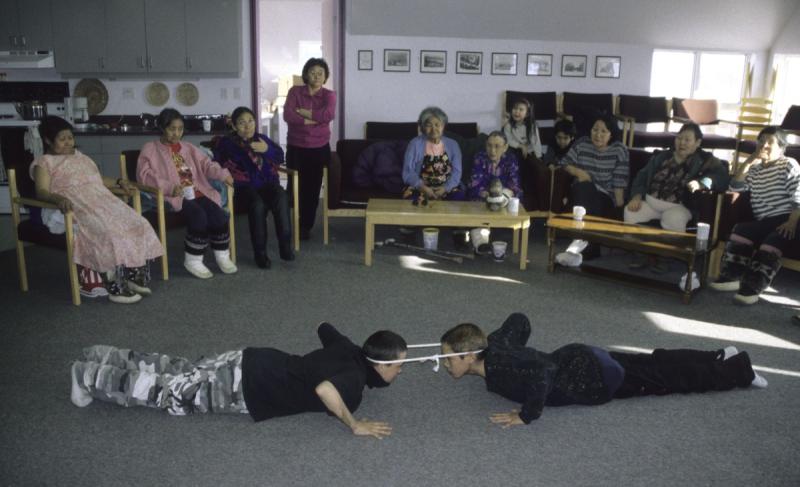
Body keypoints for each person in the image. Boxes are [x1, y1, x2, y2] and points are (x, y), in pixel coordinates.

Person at [70, 323, 407, 439]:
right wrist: (353, 424)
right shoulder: (354, 381)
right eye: (398, 366)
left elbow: (324, 327)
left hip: (249, 358)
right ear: (381, 366)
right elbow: (325, 390)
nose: (400, 371)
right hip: (242, 387)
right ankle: (87, 376)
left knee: (179, 370)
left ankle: (103, 355)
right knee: (170, 394)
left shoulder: (349, 349)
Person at [439, 312, 767, 427]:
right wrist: (496, 340)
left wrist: (527, 414)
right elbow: (519, 321)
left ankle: (740, 372)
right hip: (583, 355)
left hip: (594, 379)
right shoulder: (495, 347)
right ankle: (719, 356)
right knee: (654, 361)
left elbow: (543, 370)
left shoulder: (499, 369)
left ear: (470, 357)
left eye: (450, 358)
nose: (445, 363)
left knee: (666, 379)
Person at [30, 116, 162, 304]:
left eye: (70, 138)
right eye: (62, 139)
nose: (68, 142)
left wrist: (119, 181)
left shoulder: (81, 157)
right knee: (106, 231)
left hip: (102, 199)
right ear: (48, 141)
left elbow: (98, 180)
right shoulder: (44, 162)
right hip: (75, 203)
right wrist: (58, 199)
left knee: (138, 222)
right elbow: (42, 191)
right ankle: (114, 285)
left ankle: (134, 276)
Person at [137, 108, 237, 279]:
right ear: (162, 128)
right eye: (172, 129)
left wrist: (223, 174)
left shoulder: (188, 147)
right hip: (171, 196)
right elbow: (145, 176)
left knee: (218, 214)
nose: (177, 133)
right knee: (198, 215)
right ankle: (193, 259)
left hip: (197, 192)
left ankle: (222, 255)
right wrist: (169, 187)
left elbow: (206, 164)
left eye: (180, 129)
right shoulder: (150, 149)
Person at [709, 126, 800, 305]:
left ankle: (752, 287)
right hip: (763, 220)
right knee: (741, 230)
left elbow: (799, 194)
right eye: (761, 141)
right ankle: (731, 277)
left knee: (772, 242)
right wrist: (749, 161)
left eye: (770, 142)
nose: (764, 145)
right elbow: (734, 187)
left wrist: (792, 221)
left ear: (781, 148)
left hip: (786, 218)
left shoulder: (789, 164)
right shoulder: (755, 169)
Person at [212, 106, 293, 269]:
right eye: (242, 123)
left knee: (282, 196)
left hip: (267, 183)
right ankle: (260, 253)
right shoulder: (227, 143)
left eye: (250, 121)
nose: (247, 126)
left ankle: (285, 246)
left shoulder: (262, 139)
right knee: (257, 205)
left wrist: (267, 149)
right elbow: (217, 164)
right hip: (243, 186)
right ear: (234, 126)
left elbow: (280, 156)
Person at [625, 124, 729, 232]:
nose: (682, 143)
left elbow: (723, 177)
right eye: (679, 138)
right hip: (650, 203)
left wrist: (701, 183)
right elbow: (642, 176)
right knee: (631, 212)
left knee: (674, 219)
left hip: (679, 208)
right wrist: (636, 196)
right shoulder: (662, 156)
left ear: (698, 142)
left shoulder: (706, 160)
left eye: (687, 140)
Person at [556, 113, 629, 265]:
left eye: (603, 131)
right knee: (583, 188)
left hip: (604, 196)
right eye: (595, 130)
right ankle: (586, 248)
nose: (598, 135)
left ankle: (579, 248)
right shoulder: (582, 143)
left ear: (611, 133)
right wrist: (579, 172)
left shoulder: (619, 150)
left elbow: (619, 181)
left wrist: (620, 210)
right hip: (581, 190)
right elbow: (564, 163)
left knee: (585, 193)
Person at [284, 57, 336, 241]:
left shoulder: (329, 95)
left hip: (318, 148)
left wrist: (303, 112)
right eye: (313, 72)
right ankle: (291, 221)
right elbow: (288, 115)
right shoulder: (295, 91)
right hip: (296, 147)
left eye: (320, 73)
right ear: (306, 74)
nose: (316, 76)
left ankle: (306, 225)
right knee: (295, 187)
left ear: (325, 76)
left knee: (312, 189)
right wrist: (314, 119)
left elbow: (328, 115)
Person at [402, 106, 465, 204]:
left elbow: (457, 172)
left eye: (437, 125)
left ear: (443, 126)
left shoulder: (453, 145)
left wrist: (445, 188)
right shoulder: (414, 144)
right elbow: (407, 172)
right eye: (429, 125)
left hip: (446, 188)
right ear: (423, 127)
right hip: (420, 187)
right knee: (411, 201)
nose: (433, 129)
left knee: (458, 198)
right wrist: (423, 187)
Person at [467, 131, 522, 201]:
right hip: (483, 199)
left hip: (504, 198)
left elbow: (514, 186)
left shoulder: (510, 160)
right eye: (489, 145)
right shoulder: (479, 158)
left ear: (505, 147)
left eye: (497, 146)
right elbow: (474, 185)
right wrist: (490, 195)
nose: (492, 151)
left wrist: (503, 194)